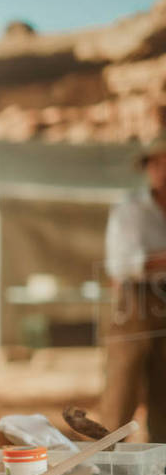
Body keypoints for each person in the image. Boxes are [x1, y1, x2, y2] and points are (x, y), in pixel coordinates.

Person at [102, 133, 166, 443]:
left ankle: (159, 473)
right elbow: (121, 266)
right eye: (157, 163)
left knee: (164, 394)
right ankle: (107, 470)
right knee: (122, 389)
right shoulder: (130, 211)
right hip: (137, 303)